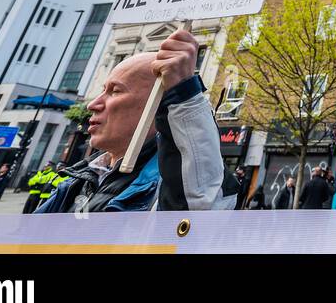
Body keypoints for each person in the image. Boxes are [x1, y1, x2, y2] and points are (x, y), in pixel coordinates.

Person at [36, 28, 236, 213]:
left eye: (115, 91)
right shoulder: (75, 182)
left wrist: (183, 91)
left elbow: (198, 212)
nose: (93, 104)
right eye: (102, 91)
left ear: (157, 106)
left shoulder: (171, 187)